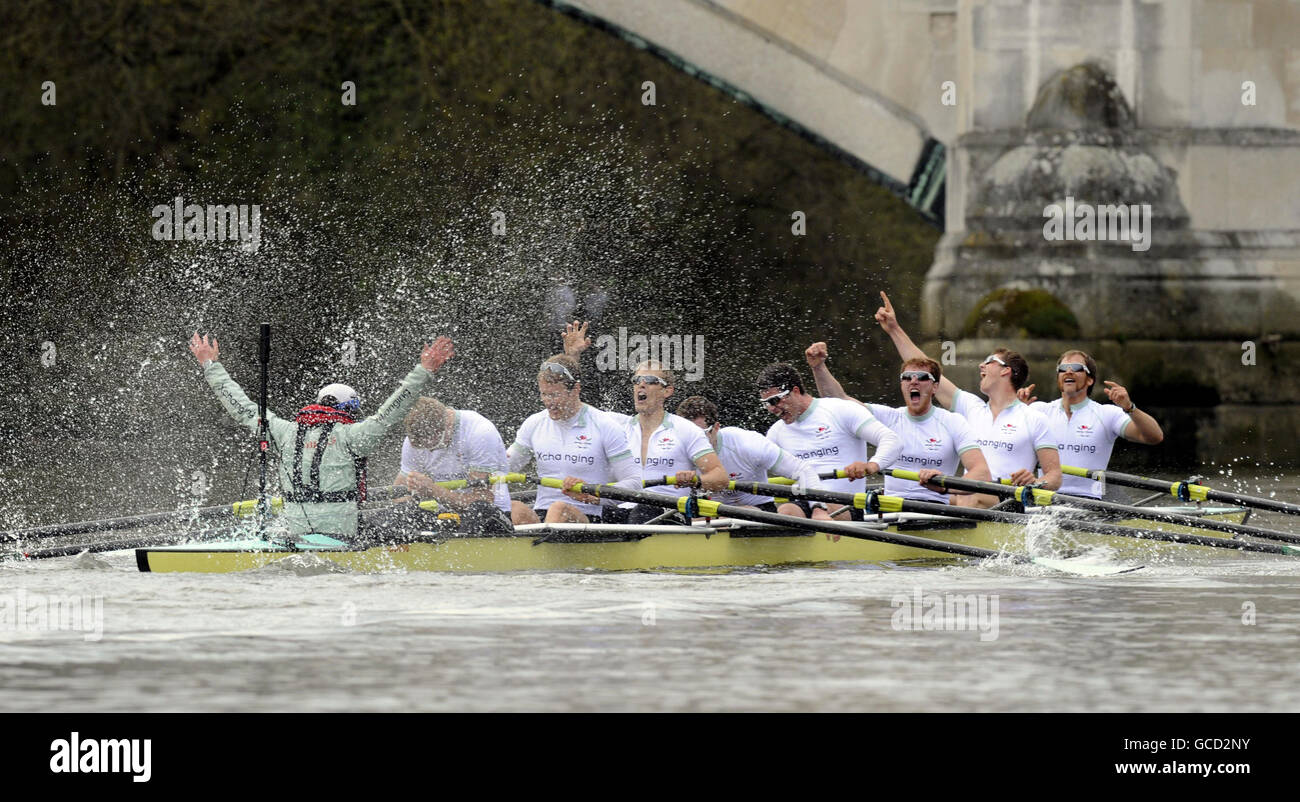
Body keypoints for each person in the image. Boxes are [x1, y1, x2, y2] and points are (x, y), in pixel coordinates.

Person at [186, 332, 454, 542]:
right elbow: (393, 410)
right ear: (348, 410)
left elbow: (241, 406)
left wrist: (210, 365)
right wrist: (424, 370)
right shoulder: (355, 437)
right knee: (409, 515)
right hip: (343, 534)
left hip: (297, 531)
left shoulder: (283, 431)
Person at [871, 291, 1062, 490]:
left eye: (989, 362)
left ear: (1006, 371)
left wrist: (1035, 484)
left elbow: (1055, 476)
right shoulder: (971, 408)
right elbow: (925, 370)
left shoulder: (1034, 419)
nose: (981, 366)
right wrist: (894, 329)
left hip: (1011, 503)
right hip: (969, 501)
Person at [804, 343, 995, 506]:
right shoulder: (888, 417)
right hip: (892, 508)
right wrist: (818, 367)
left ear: (935, 387)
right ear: (902, 385)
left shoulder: (953, 422)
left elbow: (981, 473)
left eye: (922, 377)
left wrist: (945, 486)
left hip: (936, 510)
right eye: (907, 377)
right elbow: (839, 402)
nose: (914, 381)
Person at [758, 362, 903, 522]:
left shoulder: (839, 410)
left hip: (846, 504)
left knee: (808, 512)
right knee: (786, 511)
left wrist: (871, 465)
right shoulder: (776, 432)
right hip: (804, 502)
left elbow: (892, 440)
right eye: (766, 404)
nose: (771, 409)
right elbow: (753, 466)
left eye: (774, 401)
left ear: (795, 391)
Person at [507, 354, 641, 524]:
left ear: (576, 389)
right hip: (542, 514)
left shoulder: (605, 425)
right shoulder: (534, 423)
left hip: (587, 517)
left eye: (555, 395)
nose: (548, 402)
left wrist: (594, 495)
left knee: (559, 509)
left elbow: (635, 484)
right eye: (544, 394)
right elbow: (504, 467)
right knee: (515, 508)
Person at [1016, 349, 1164, 498]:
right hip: (1044, 498)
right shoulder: (1038, 411)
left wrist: (1129, 408)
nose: (1068, 372)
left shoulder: (1107, 414)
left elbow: (1154, 436)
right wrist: (1015, 411)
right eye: (1062, 369)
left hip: (1088, 502)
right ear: (1058, 377)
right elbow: (1005, 446)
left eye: (1076, 368)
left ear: (1090, 380)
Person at [376, 397, 515, 533]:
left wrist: (432, 490)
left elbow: (483, 499)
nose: (429, 451)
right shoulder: (414, 440)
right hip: (446, 516)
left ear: (445, 426)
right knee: (397, 514)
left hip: (490, 515)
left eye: (432, 446)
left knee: (478, 510)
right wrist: (406, 508)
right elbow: (399, 492)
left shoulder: (479, 433)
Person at [620, 360, 729, 523]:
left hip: (670, 511)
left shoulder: (686, 430)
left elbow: (720, 478)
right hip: (626, 510)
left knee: (643, 510)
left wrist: (696, 481)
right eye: (636, 380)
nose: (641, 385)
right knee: (585, 512)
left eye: (650, 380)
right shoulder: (619, 428)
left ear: (667, 391)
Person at [676, 395, 821, 515]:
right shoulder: (671, 450)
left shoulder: (747, 443)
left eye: (701, 434)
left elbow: (804, 471)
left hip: (759, 511)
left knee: (788, 511)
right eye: (687, 435)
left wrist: (819, 510)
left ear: (716, 427)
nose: (694, 441)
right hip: (710, 514)